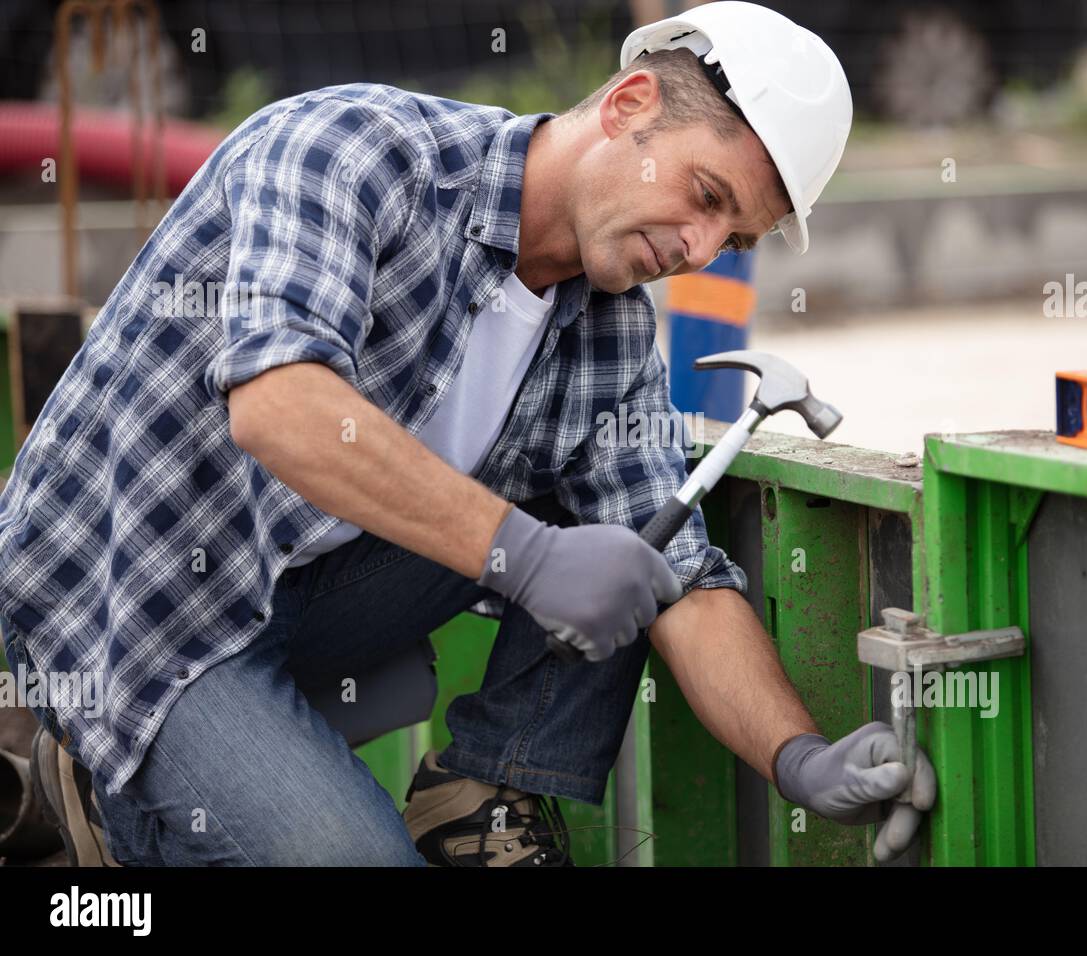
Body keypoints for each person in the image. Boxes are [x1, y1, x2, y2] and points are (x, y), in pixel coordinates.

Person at [0, 1, 934, 866]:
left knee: (626, 545)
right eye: (704, 194)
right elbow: (279, 400)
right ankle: (105, 790)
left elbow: (680, 577)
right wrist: (523, 556)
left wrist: (799, 756)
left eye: (730, 240)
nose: (696, 249)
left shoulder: (608, 332)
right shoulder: (351, 150)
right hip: (140, 608)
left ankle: (487, 795)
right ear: (630, 103)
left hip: (308, 588)